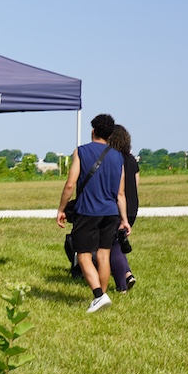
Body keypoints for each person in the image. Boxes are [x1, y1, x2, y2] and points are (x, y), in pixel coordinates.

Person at [57, 113, 131, 313]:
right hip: (111, 212)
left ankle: (99, 295)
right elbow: (121, 193)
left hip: (88, 211)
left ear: (93, 131)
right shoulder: (118, 157)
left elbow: (70, 183)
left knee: (83, 256)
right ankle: (102, 299)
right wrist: (124, 220)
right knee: (103, 255)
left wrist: (61, 209)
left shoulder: (81, 152)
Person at [108, 124, 140, 292]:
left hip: (117, 206)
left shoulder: (112, 159)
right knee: (119, 243)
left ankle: (123, 282)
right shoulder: (132, 159)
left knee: (112, 244)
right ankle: (126, 274)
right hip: (133, 207)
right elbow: (136, 184)